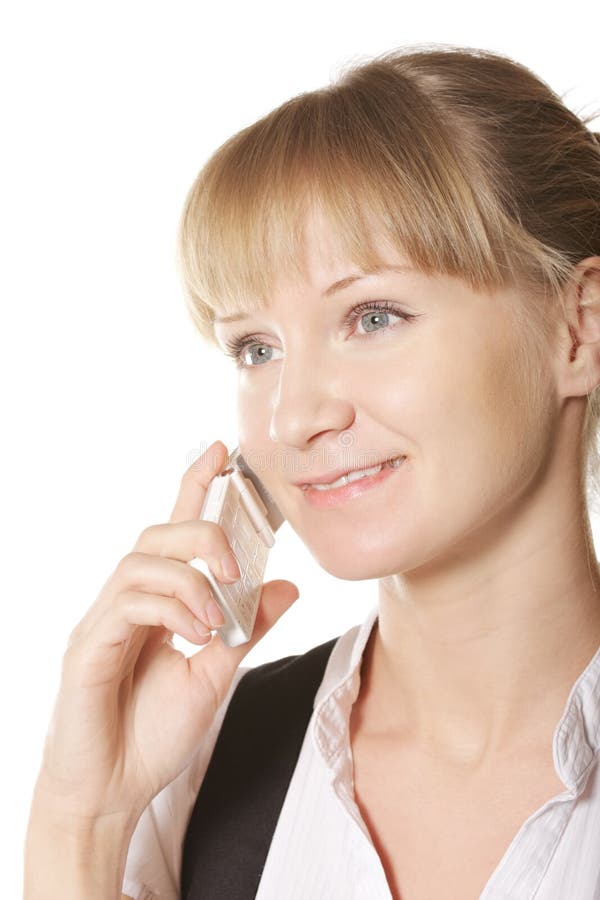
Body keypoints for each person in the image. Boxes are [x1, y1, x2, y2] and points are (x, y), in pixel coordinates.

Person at [23, 43, 600, 900]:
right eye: (256, 348)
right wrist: (84, 825)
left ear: (578, 328)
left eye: (373, 316)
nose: (292, 418)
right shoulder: (201, 777)